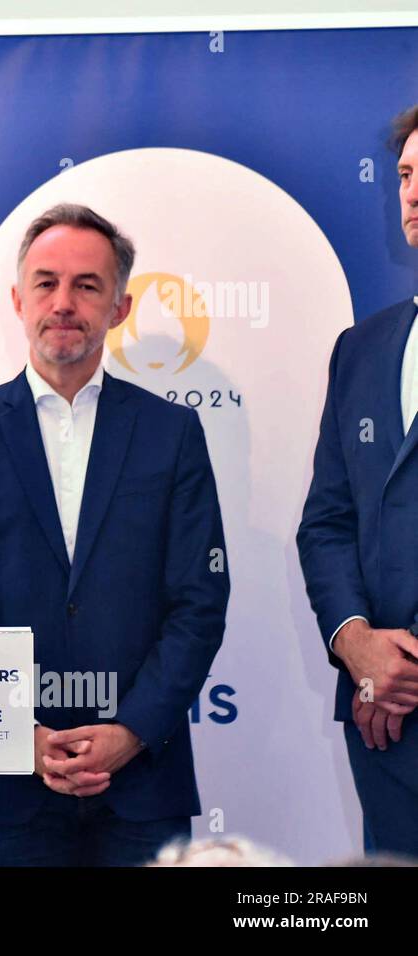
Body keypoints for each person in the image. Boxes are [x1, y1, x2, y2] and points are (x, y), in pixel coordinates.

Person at [0, 204, 229, 866]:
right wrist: (14, 732)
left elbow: (200, 601)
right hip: (6, 781)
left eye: (87, 285)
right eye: (46, 282)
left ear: (119, 307)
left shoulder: (171, 435)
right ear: (18, 300)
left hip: (142, 781)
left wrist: (131, 730)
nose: (64, 302)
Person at [297, 104, 418, 857]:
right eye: (407, 175)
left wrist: (405, 666)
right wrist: (357, 644)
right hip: (387, 729)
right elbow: (328, 522)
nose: (413, 193)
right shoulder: (362, 349)